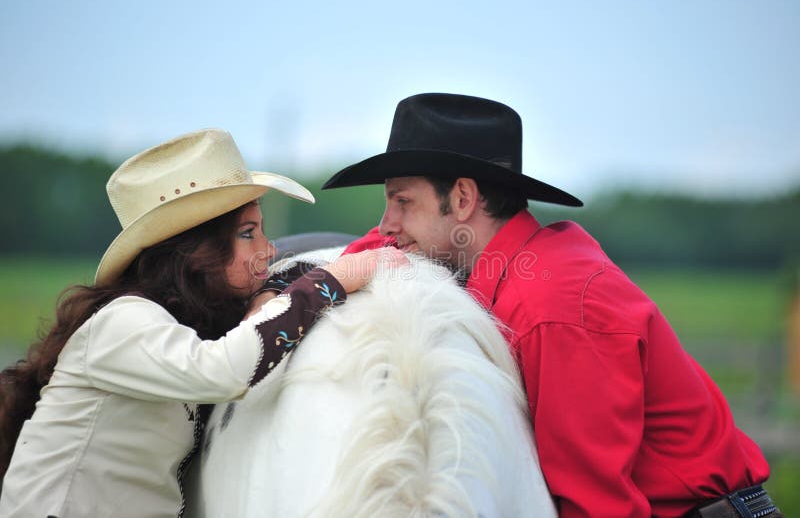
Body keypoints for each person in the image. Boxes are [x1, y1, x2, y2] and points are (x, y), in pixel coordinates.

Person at [321, 93, 781, 518]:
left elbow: (597, 508)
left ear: (462, 199)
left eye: (401, 202)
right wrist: (304, 288)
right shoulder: (513, 267)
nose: (387, 224)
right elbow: (375, 251)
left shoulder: (554, 309)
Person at [0, 128, 405, 517]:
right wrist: (334, 280)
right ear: (196, 253)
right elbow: (223, 370)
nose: (268, 249)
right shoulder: (122, 321)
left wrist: (275, 294)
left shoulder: (180, 325)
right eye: (248, 233)